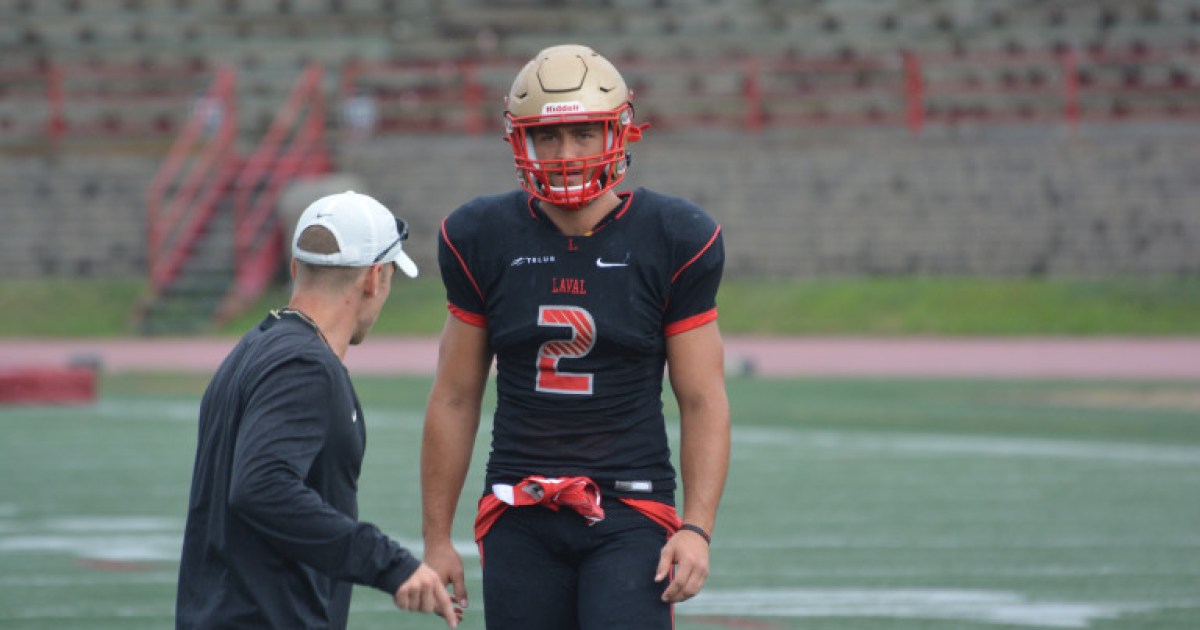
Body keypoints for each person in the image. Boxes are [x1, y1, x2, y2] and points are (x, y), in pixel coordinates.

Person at [421, 44, 731, 629]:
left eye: (585, 134)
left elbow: (703, 398)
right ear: (521, 142)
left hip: (631, 506)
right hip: (520, 504)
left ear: (618, 132)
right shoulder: (480, 235)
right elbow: (455, 395)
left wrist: (695, 527)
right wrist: (436, 538)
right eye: (549, 137)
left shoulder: (674, 236)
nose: (566, 153)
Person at [176, 191, 460, 629]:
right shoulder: (304, 366)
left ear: (295, 268)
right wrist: (390, 564)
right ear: (373, 278)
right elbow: (262, 487)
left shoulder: (253, 347)